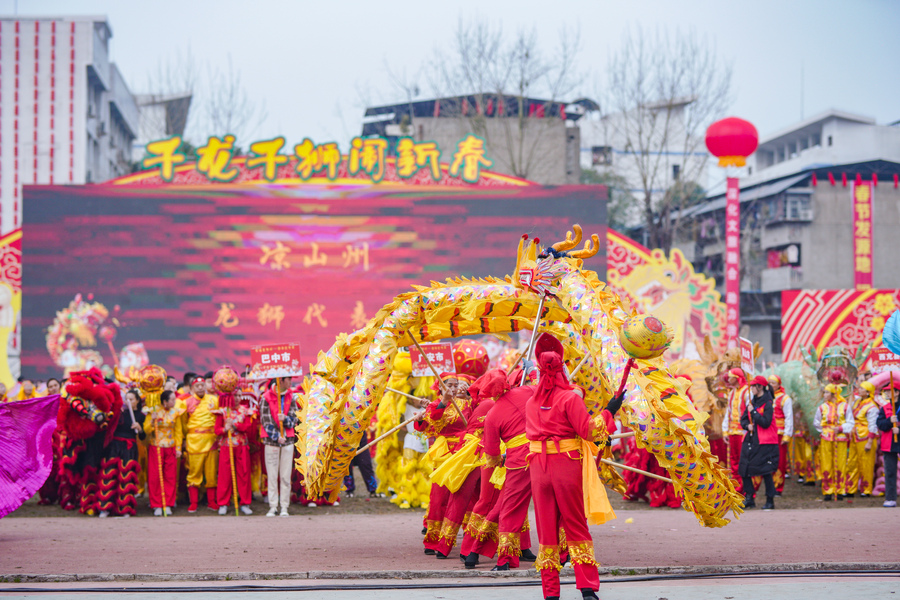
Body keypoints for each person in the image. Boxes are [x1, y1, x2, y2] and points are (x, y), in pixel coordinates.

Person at [526, 333, 620, 600]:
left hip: (538, 468)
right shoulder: (569, 399)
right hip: (565, 465)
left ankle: (551, 593)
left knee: (546, 529)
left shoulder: (531, 401)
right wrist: (609, 411)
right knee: (576, 525)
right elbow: (589, 431)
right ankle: (587, 588)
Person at [482, 367, 538, 570]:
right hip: (546, 453)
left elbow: (491, 453)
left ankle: (505, 560)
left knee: (510, 511)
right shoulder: (528, 390)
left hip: (519, 463)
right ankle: (565, 556)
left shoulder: (492, 415)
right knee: (556, 506)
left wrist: (499, 459)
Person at [98, 388, 145, 517]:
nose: (128, 401)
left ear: (137, 401)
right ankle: (105, 508)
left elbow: (142, 437)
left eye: (131, 399)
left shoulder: (141, 415)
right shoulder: (119, 412)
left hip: (129, 448)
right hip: (114, 446)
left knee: (127, 477)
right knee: (109, 475)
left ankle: (125, 508)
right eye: (127, 399)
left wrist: (140, 429)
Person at [177, 376, 220, 512]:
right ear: (191, 388)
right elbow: (182, 423)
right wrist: (183, 440)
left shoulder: (214, 400)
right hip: (194, 441)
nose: (201, 388)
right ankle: (193, 502)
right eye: (197, 386)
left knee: (212, 472)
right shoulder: (186, 402)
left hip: (211, 439)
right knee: (194, 473)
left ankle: (212, 502)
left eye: (202, 385)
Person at [738, 376, 779, 510]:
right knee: (744, 468)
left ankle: (770, 500)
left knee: (765, 471)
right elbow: (743, 419)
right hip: (751, 439)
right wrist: (746, 426)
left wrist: (753, 412)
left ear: (760, 387)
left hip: (765, 441)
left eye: (753, 386)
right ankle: (749, 497)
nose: (751, 389)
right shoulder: (752, 401)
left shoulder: (768, 403)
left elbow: (765, 422)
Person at [215, 385, 256, 516]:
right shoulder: (223, 412)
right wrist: (225, 429)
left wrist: (235, 424)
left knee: (244, 475)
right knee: (224, 476)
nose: (238, 398)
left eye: (239, 395)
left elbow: (248, 428)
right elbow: (217, 430)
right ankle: (223, 503)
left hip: (242, 447)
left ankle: (245, 503)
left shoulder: (246, 411)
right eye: (235, 395)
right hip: (226, 446)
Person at [260, 376, 299, 517]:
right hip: (271, 442)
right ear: (280, 380)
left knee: (285, 475)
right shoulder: (265, 397)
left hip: (288, 441)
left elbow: (295, 418)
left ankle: (284, 506)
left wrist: (286, 420)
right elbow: (265, 420)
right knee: (272, 475)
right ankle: (272, 506)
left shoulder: (292, 397)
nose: (291, 382)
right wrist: (277, 436)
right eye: (288, 379)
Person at [143, 390, 183, 516]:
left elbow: (178, 431)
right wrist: (151, 421)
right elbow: (146, 430)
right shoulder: (153, 411)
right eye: (172, 399)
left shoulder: (176, 412)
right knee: (155, 476)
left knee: (170, 476)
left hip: (170, 447)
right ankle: (156, 504)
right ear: (164, 401)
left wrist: (178, 448)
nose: (174, 401)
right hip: (157, 446)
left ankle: (168, 503)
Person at [813, 384, 854, 500]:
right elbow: (816, 422)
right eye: (824, 392)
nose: (825, 395)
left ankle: (840, 490)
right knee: (826, 463)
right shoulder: (822, 407)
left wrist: (841, 428)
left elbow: (850, 422)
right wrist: (825, 430)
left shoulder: (845, 406)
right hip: (826, 439)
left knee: (840, 463)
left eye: (827, 392)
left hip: (840, 439)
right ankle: (827, 490)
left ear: (833, 394)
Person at [846, 381, 879, 497]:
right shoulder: (857, 402)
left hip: (865, 438)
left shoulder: (872, 406)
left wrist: (870, 442)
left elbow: (873, 425)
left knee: (866, 464)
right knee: (851, 463)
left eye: (861, 388)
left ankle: (866, 489)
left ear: (868, 392)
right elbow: (849, 408)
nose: (859, 390)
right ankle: (850, 488)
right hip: (855, 436)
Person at [720, 368, 749, 493]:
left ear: (737, 378)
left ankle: (746, 488)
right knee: (733, 460)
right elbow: (729, 413)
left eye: (731, 376)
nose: (728, 378)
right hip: (732, 432)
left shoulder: (747, 392)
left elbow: (749, 413)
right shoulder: (731, 392)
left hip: (743, 432)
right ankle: (736, 487)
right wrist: (725, 431)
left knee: (744, 460)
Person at [767, 375, 793, 496]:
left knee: (780, 461)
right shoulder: (765, 397)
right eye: (769, 383)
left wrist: (787, 435)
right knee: (767, 461)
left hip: (780, 434)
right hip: (767, 434)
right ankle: (769, 486)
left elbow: (789, 417)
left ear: (779, 385)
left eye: (773, 383)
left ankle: (778, 487)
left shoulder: (785, 398)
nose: (771, 385)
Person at [875, 381, 900, 507]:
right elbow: (880, 425)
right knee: (890, 471)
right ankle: (890, 498)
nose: (887, 393)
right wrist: (890, 421)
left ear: (897, 393)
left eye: (890, 391)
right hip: (889, 444)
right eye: (885, 391)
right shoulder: (884, 409)